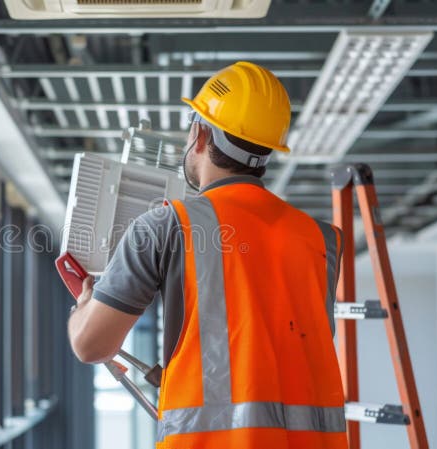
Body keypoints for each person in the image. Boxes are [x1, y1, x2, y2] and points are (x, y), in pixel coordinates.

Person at [67, 61, 348, 449]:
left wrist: (82, 309)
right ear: (267, 151)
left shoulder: (167, 225)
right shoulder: (323, 239)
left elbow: (91, 345)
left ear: (199, 133)